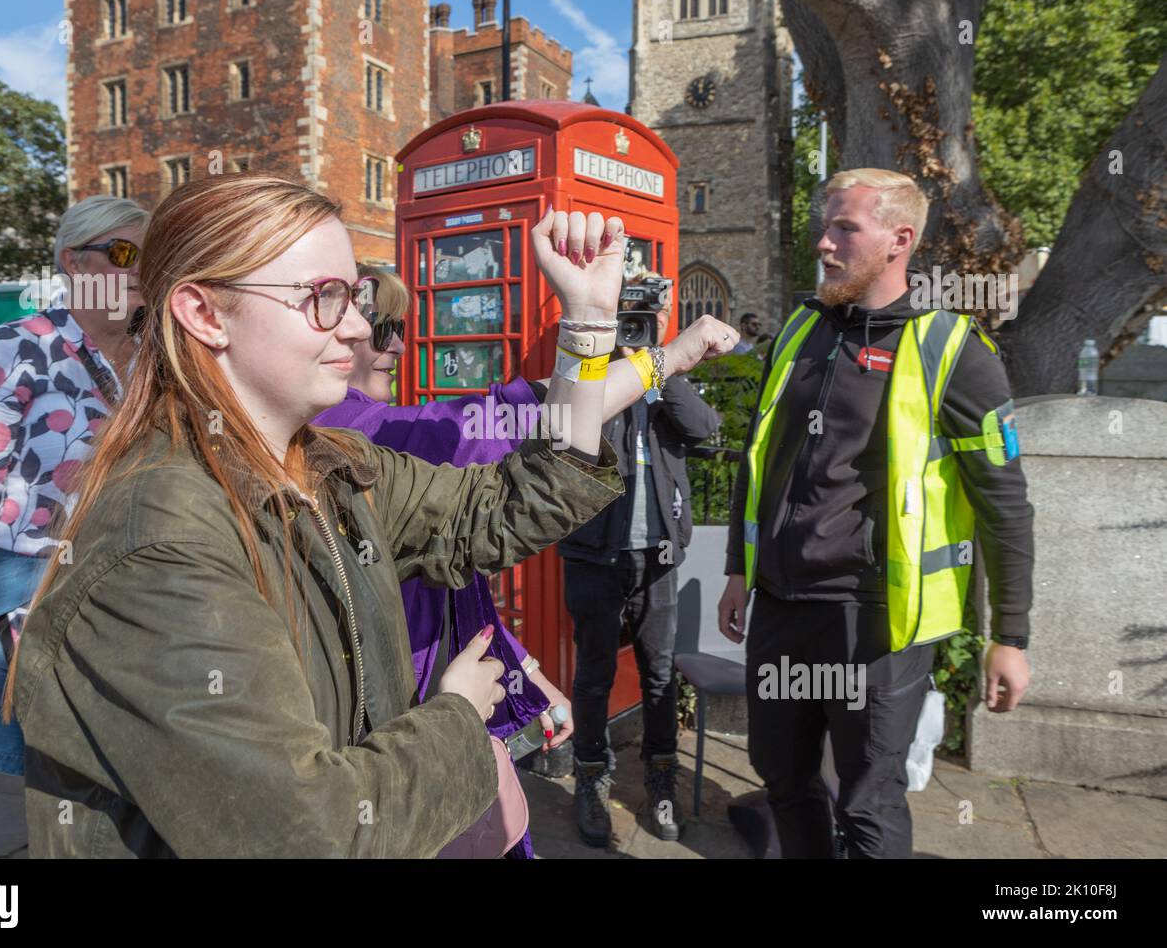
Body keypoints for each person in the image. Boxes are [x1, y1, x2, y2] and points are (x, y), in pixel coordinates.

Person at [8, 173, 641, 858]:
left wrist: (586, 323)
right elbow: (307, 834)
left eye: (356, 299)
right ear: (204, 314)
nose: (363, 327)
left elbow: (503, 508)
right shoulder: (158, 547)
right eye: (324, 298)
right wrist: (458, 718)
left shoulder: (333, 467)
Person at [312, 263, 739, 857]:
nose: (397, 344)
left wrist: (528, 670)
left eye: (396, 325)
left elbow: (450, 585)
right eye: (379, 324)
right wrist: (660, 353)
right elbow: (517, 421)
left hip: (443, 708)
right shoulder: (344, 430)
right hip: (405, 736)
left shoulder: (371, 429)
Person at [717, 168, 1035, 858]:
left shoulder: (954, 351)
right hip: (779, 604)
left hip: (874, 619)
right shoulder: (802, 327)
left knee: (868, 799)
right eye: (824, 227)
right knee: (783, 777)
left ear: (900, 241)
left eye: (844, 229)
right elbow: (759, 453)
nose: (824, 245)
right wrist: (737, 571)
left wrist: (1009, 635)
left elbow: (1005, 505)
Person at [0, 195, 147, 776]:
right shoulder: (11, 349)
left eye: (156, 256)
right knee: (56, 777)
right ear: (75, 262)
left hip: (143, 583)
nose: (144, 270)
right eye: (125, 253)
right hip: (35, 587)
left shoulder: (156, 360)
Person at [558, 286, 723, 846]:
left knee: (658, 674)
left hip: (657, 556)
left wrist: (661, 367)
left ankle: (660, 782)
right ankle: (590, 778)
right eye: (626, 323)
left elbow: (704, 430)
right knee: (594, 673)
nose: (634, 331)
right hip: (593, 555)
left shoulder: (663, 382)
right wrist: (612, 365)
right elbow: (562, 438)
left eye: (642, 323)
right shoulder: (591, 379)